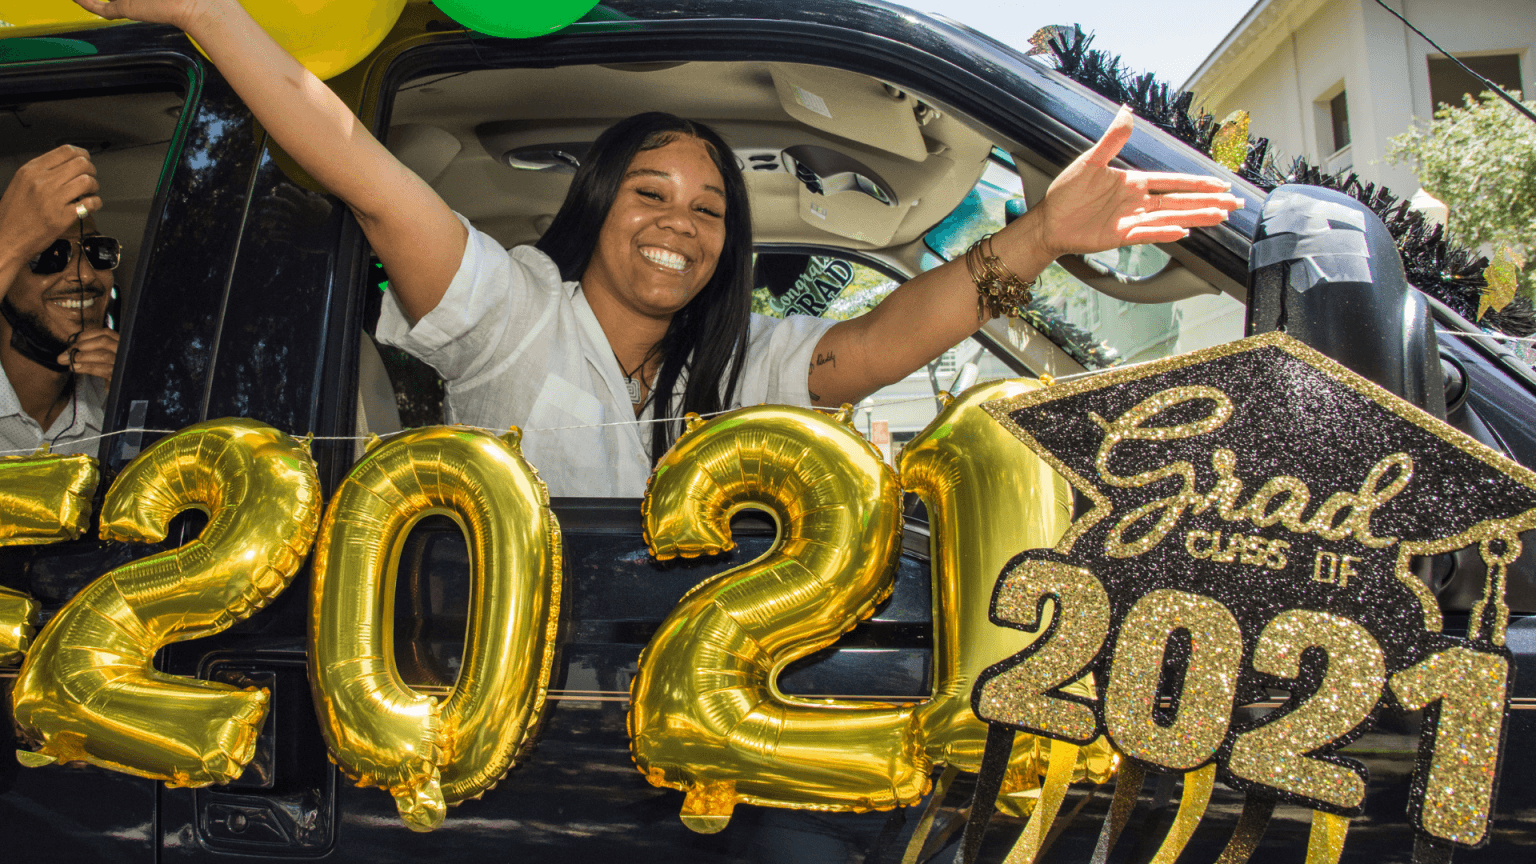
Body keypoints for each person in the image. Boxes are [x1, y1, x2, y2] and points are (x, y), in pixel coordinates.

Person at [75, 0, 1240, 496]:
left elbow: (881, 345)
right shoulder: (511, 312)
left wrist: (1036, 235)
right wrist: (213, 16)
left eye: (709, 209)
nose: (680, 224)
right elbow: (363, 173)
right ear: (595, 207)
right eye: (651, 193)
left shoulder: (738, 368)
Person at [0, 145, 119, 457]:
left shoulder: (116, 405)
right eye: (50, 255)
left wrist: (134, 394)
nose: (84, 276)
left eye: (98, 251)